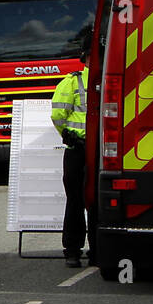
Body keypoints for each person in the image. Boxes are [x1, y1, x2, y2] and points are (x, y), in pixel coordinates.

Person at [51, 45, 90, 268]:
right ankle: (98, 251)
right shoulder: (110, 77)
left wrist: (66, 134)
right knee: (97, 203)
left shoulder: (72, 81)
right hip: (101, 150)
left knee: (74, 200)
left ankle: (73, 251)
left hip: (76, 148)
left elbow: (57, 114)